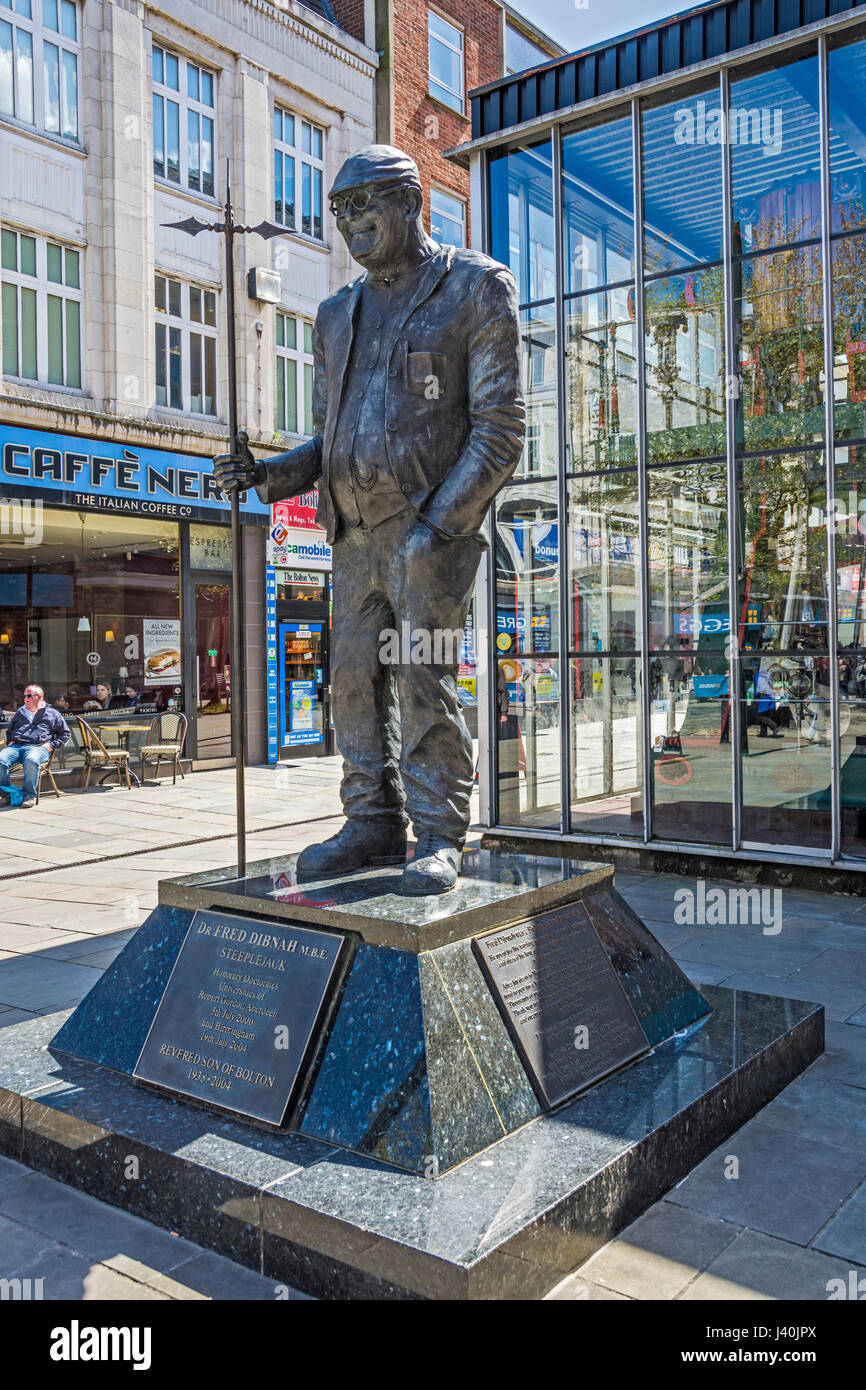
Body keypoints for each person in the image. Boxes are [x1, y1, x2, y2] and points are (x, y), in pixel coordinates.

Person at [214, 144, 524, 894]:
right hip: (351, 535)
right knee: (350, 681)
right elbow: (331, 437)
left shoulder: (475, 288)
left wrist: (437, 527)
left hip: (429, 534)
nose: (352, 222)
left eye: (366, 204)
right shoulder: (336, 314)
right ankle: (369, 821)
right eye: (341, 210)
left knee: (424, 677)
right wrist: (269, 475)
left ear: (411, 203)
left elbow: (501, 427)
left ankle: (440, 831)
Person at [0, 684, 71, 807]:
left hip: (38, 747)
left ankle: (29, 796)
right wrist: (10, 741)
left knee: (31, 760)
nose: (25, 699)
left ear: (38, 697)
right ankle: (5, 794)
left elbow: (65, 734)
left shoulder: (52, 713)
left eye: (28, 696)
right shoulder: (20, 712)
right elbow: (10, 731)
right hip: (16, 746)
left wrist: (52, 744)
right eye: (24, 696)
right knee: (1, 760)